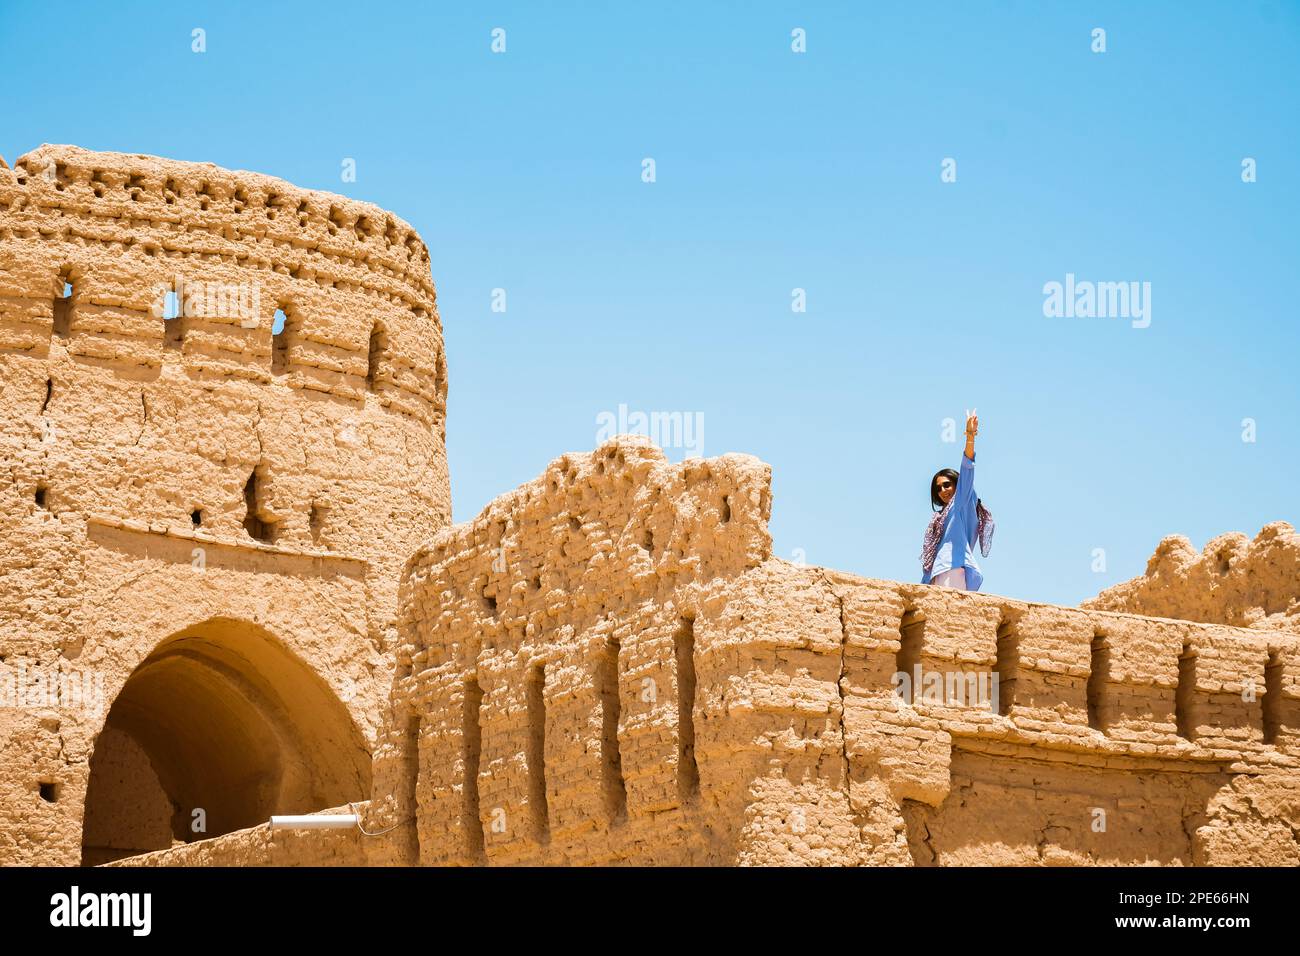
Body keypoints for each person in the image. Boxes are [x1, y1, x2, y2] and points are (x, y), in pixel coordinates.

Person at [920, 411, 995, 590]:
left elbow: (967, 467)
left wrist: (970, 436)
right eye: (938, 488)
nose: (943, 490)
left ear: (957, 485)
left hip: (952, 568)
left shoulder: (959, 503)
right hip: (937, 571)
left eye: (947, 485)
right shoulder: (941, 517)